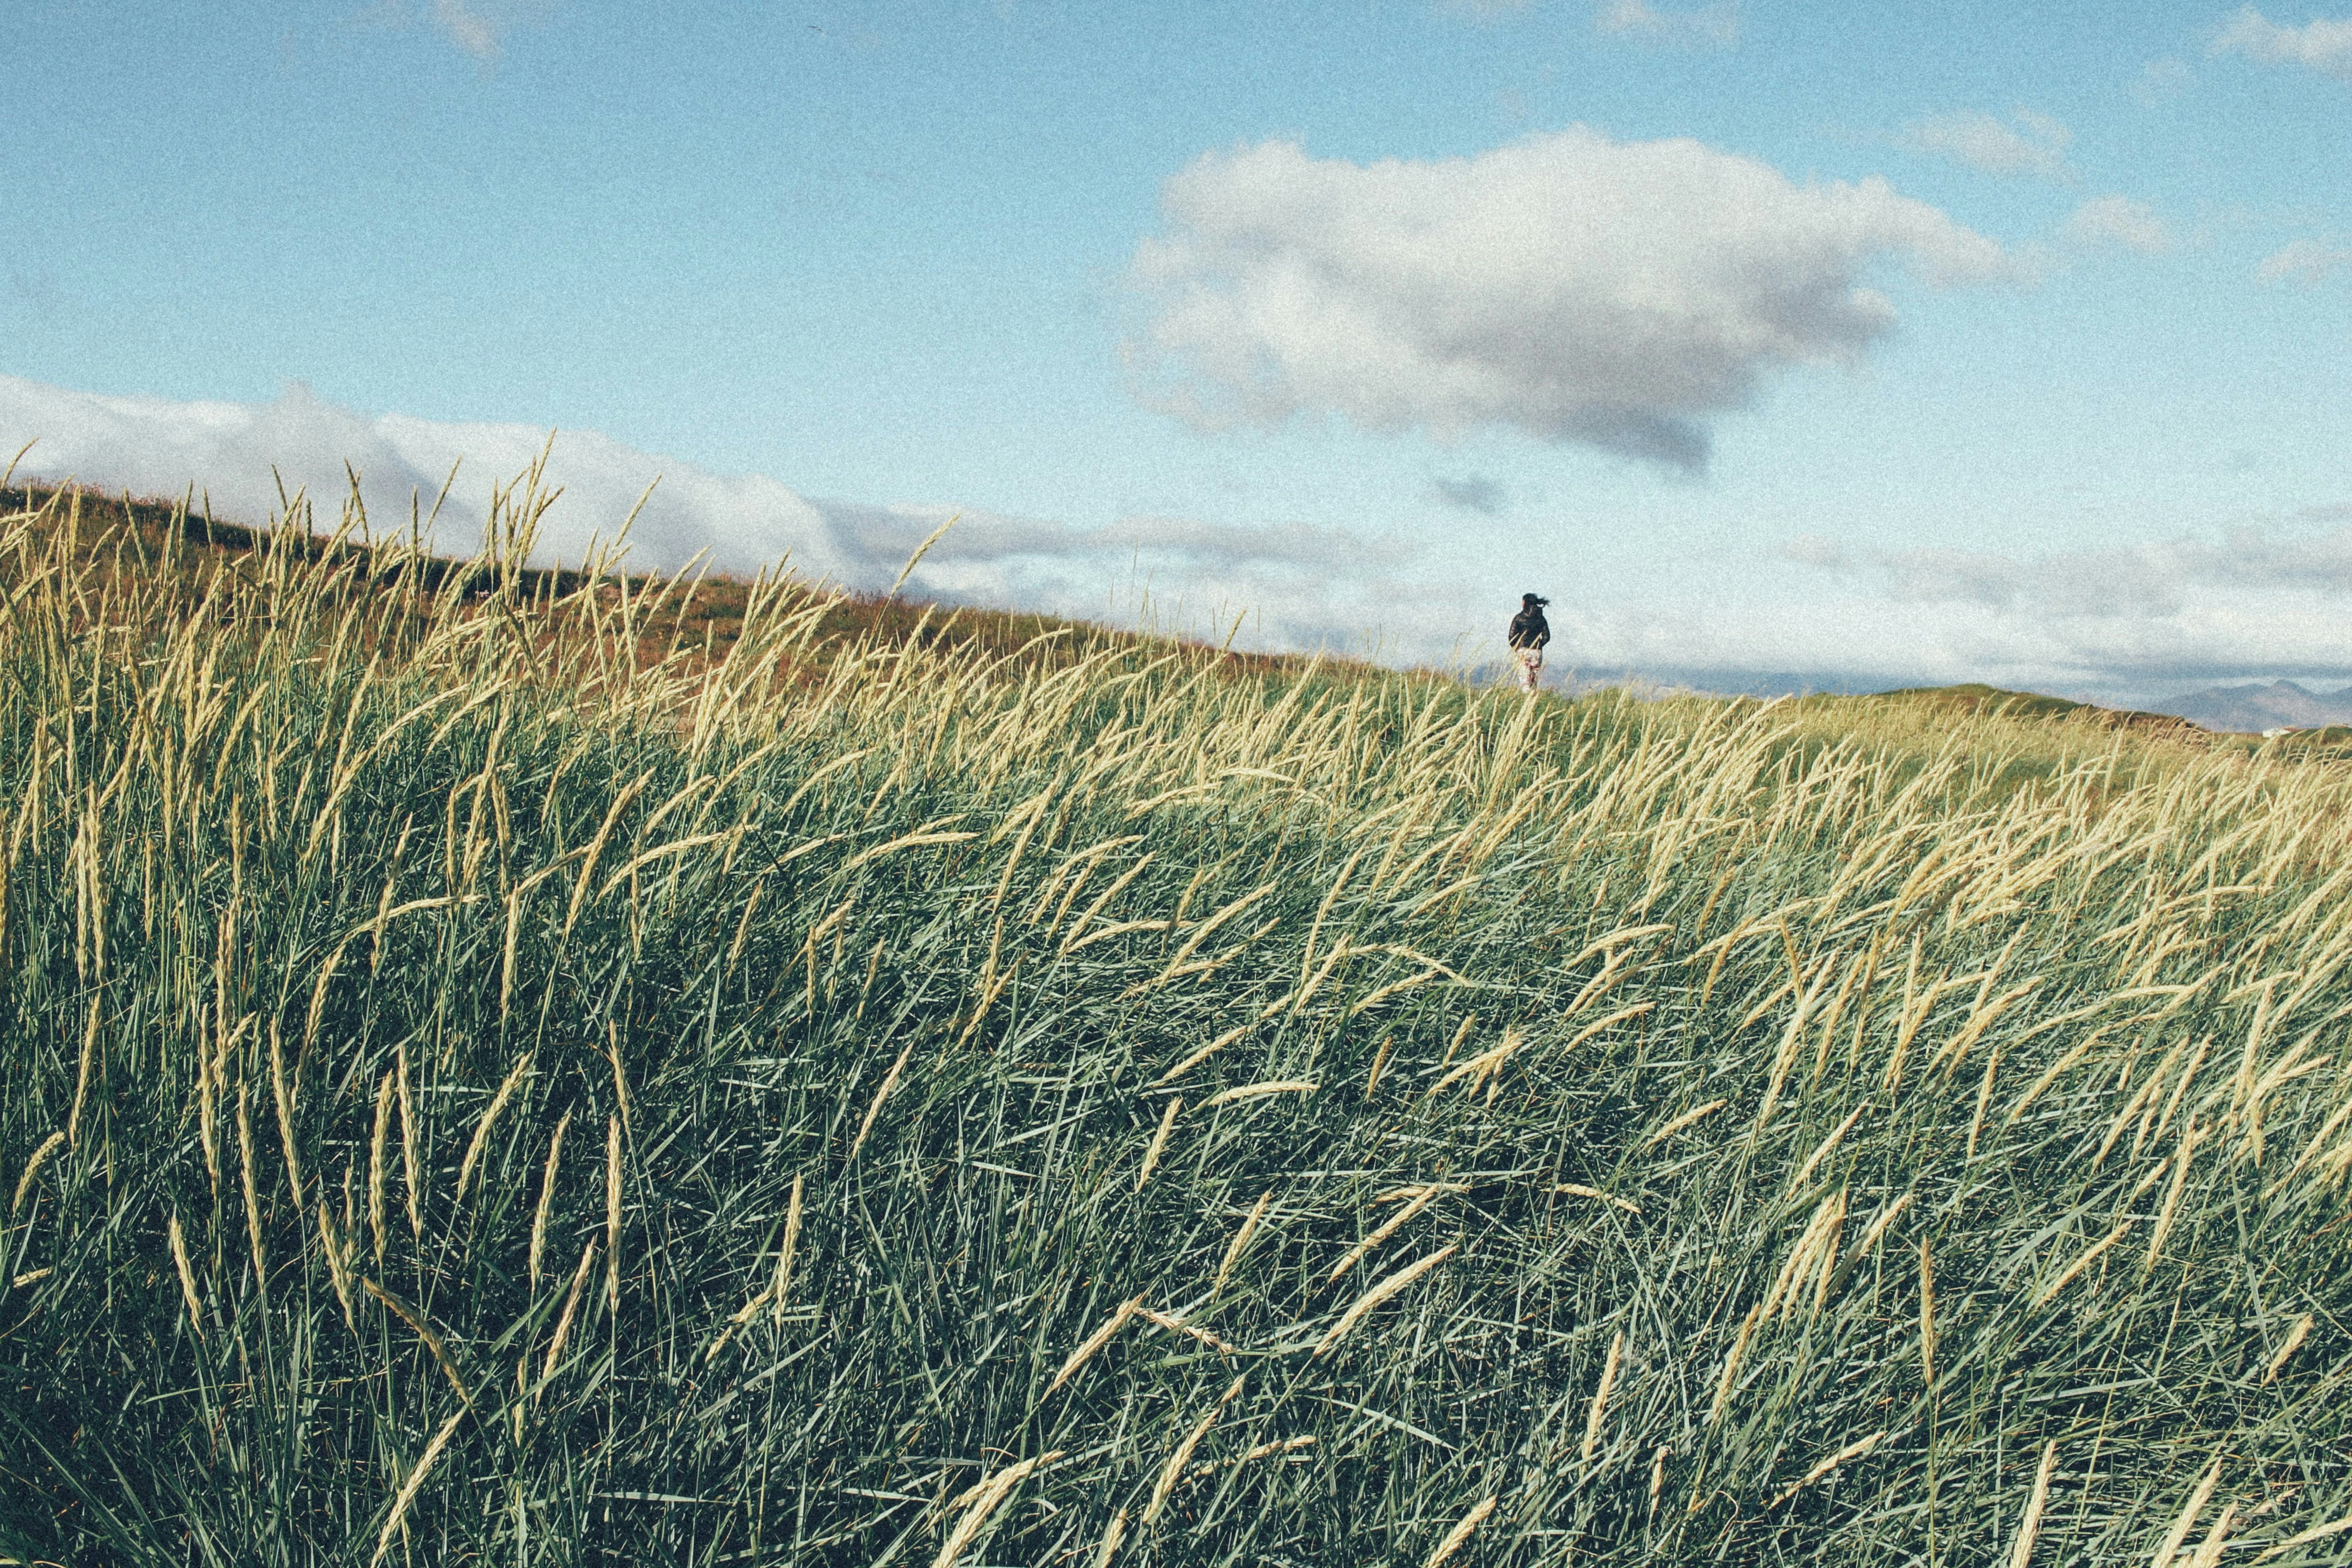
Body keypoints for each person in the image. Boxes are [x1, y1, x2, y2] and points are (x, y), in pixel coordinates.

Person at [1507, 592, 1549, 694]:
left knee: (1525, 681)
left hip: (1522, 652)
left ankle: (1526, 703)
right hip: (1537, 652)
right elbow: (1547, 637)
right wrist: (1538, 645)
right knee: (1533, 681)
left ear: (1525, 603)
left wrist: (1517, 649)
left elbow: (1511, 637)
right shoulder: (1541, 618)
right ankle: (1533, 702)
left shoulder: (1518, 618)